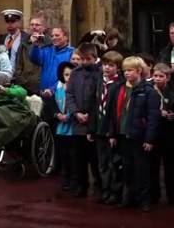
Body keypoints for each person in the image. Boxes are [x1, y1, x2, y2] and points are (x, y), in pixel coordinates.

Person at [105, 56, 159, 212]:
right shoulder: (119, 88)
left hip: (139, 136)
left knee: (142, 170)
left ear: (139, 71)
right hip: (122, 135)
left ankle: (144, 200)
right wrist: (112, 134)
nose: (126, 73)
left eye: (130, 70)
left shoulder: (148, 91)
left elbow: (153, 117)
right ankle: (128, 198)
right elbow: (113, 113)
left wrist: (149, 139)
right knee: (126, 169)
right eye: (125, 70)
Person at [63, 42, 102, 199]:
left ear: (94, 58)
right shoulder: (75, 73)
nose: (85, 62)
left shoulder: (99, 73)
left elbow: (99, 98)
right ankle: (81, 186)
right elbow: (69, 94)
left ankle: (99, 187)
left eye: (88, 59)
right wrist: (75, 112)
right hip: (77, 122)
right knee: (78, 158)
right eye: (82, 59)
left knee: (95, 158)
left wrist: (90, 116)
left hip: (94, 122)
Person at [94, 51, 126, 206]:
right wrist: (91, 129)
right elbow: (94, 105)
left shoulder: (120, 84)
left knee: (114, 163)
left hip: (112, 130)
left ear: (118, 68)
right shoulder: (100, 82)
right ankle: (105, 190)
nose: (106, 68)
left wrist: (112, 132)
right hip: (99, 129)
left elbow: (116, 111)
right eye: (105, 64)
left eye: (111, 65)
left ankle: (115, 192)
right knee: (102, 164)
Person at [150, 63, 174, 207]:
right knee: (153, 166)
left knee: (170, 167)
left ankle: (173, 197)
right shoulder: (148, 91)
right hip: (153, 133)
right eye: (155, 76)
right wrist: (159, 113)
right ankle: (154, 195)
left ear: (168, 77)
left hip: (169, 133)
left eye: (161, 76)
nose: (157, 78)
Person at [52, 62, 74, 192]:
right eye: (66, 75)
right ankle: (65, 179)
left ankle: (74, 180)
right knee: (63, 155)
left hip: (72, 128)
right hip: (60, 128)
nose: (68, 77)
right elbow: (53, 104)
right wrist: (58, 114)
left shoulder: (76, 89)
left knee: (73, 156)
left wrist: (69, 116)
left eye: (71, 75)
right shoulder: (59, 88)